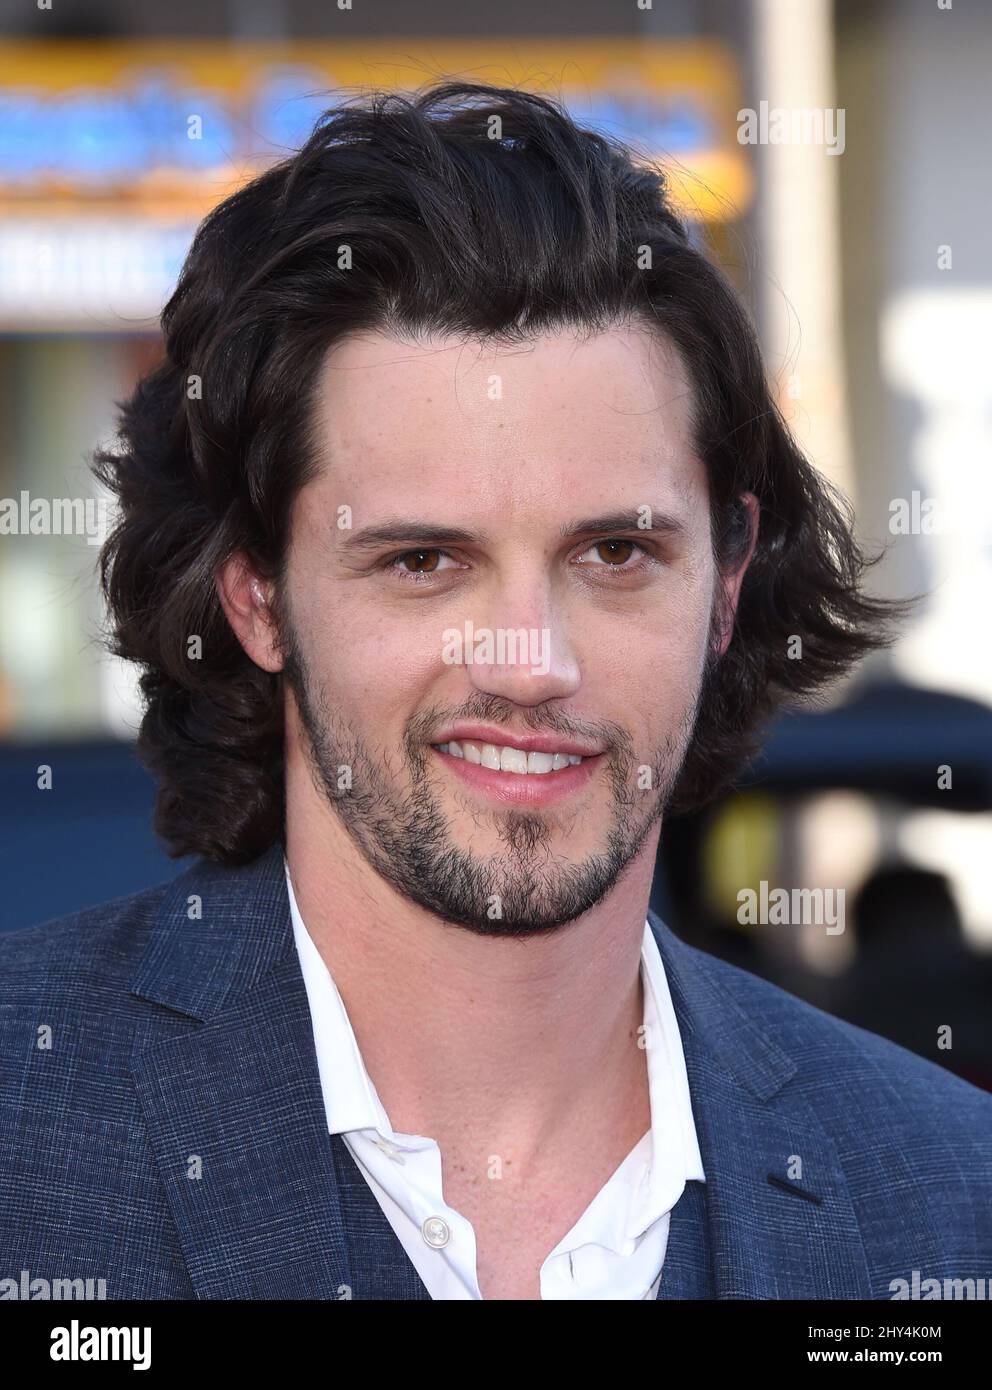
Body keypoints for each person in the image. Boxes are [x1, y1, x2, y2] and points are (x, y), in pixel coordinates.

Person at [1, 82, 988, 1301]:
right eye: (423, 561)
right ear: (255, 595)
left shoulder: (948, 1202)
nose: (529, 661)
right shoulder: (25, 1128)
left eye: (614, 554)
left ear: (725, 579)